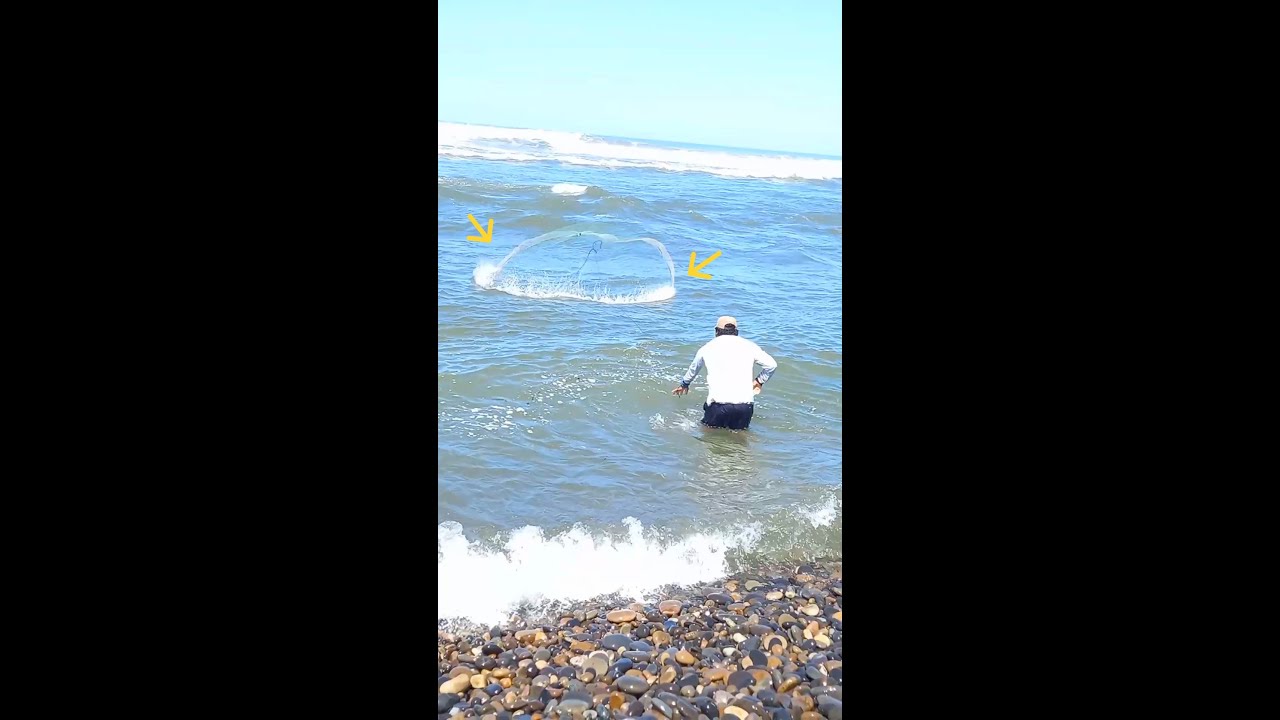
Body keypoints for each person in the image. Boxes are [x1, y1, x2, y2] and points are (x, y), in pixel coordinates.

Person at [672, 316, 778, 430]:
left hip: (718, 405)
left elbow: (694, 368)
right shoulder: (750, 346)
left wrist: (684, 384)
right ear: (736, 331)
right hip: (745, 406)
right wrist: (759, 381)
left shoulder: (707, 347)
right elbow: (771, 365)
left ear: (716, 331)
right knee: (741, 441)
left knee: (709, 438)